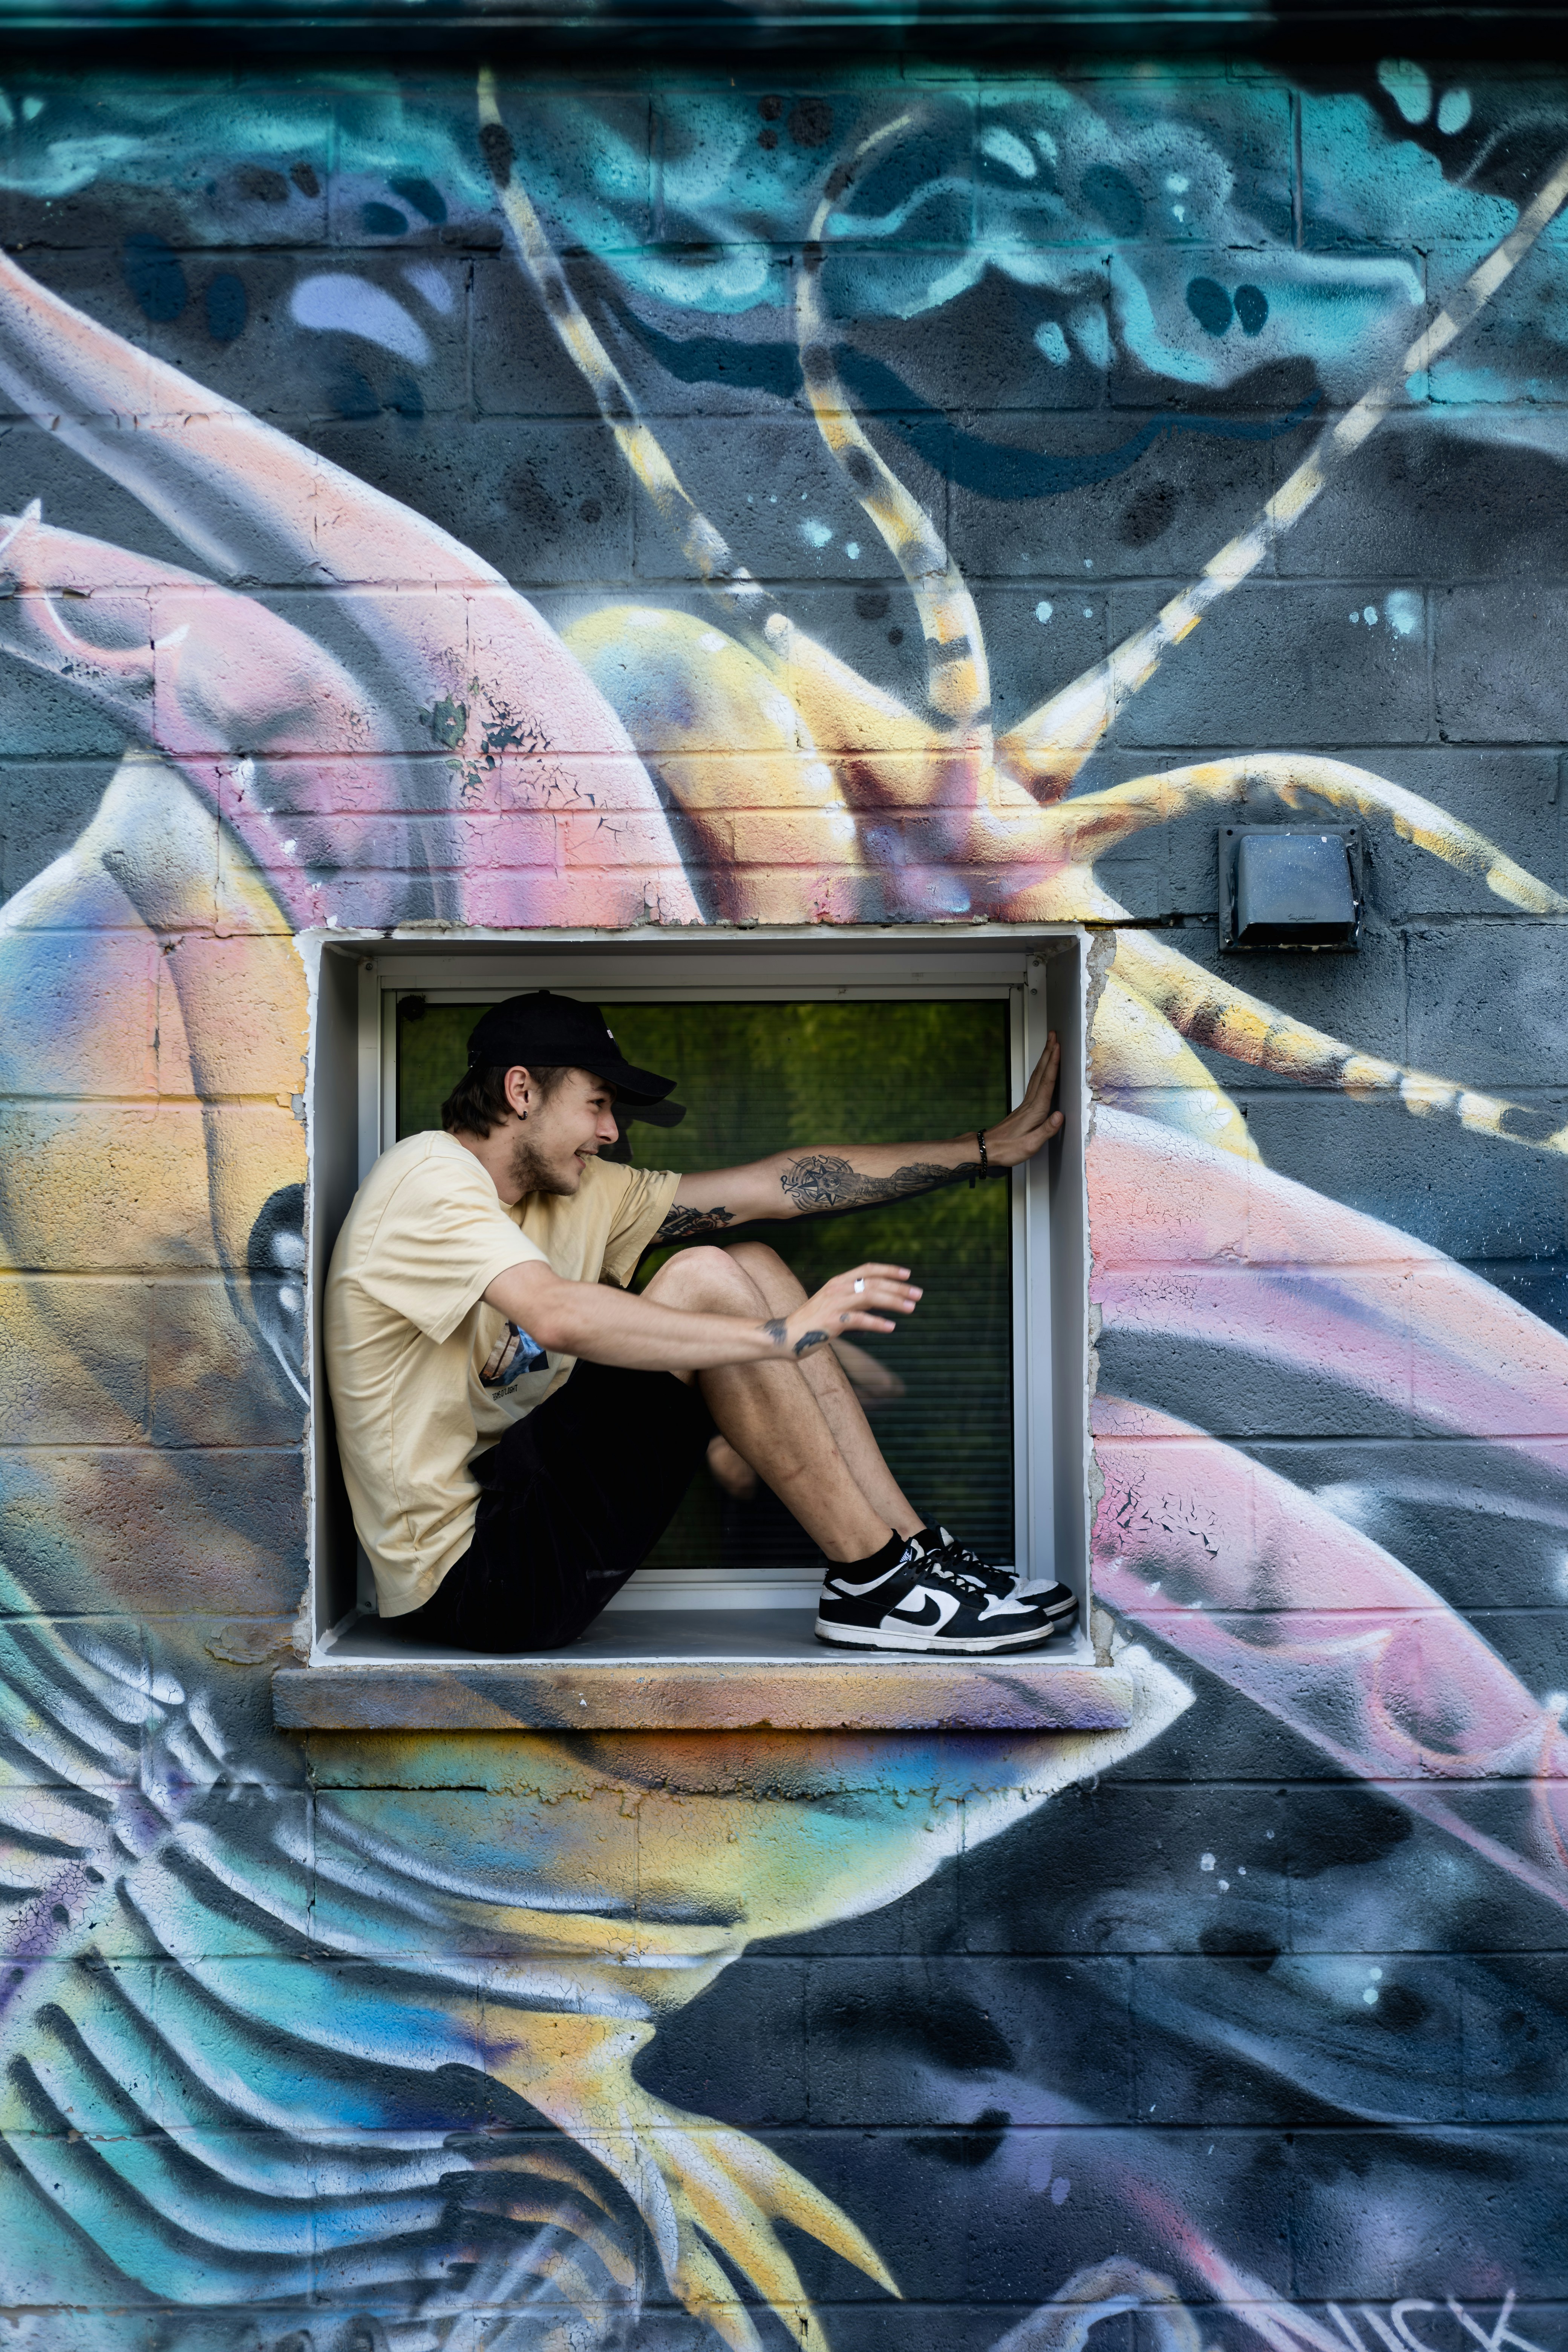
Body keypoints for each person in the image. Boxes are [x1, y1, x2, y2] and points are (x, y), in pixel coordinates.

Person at [325, 989, 1075, 1656]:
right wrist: (779, 1337)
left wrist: (982, 1151)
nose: (612, 1130)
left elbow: (776, 1189)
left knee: (749, 1257)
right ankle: (871, 1579)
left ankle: (906, 1556)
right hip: (477, 1580)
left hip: (541, 1523)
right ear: (521, 1090)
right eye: (596, 1103)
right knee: (703, 1278)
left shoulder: (580, 1197)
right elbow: (553, 1314)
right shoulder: (427, 1177)